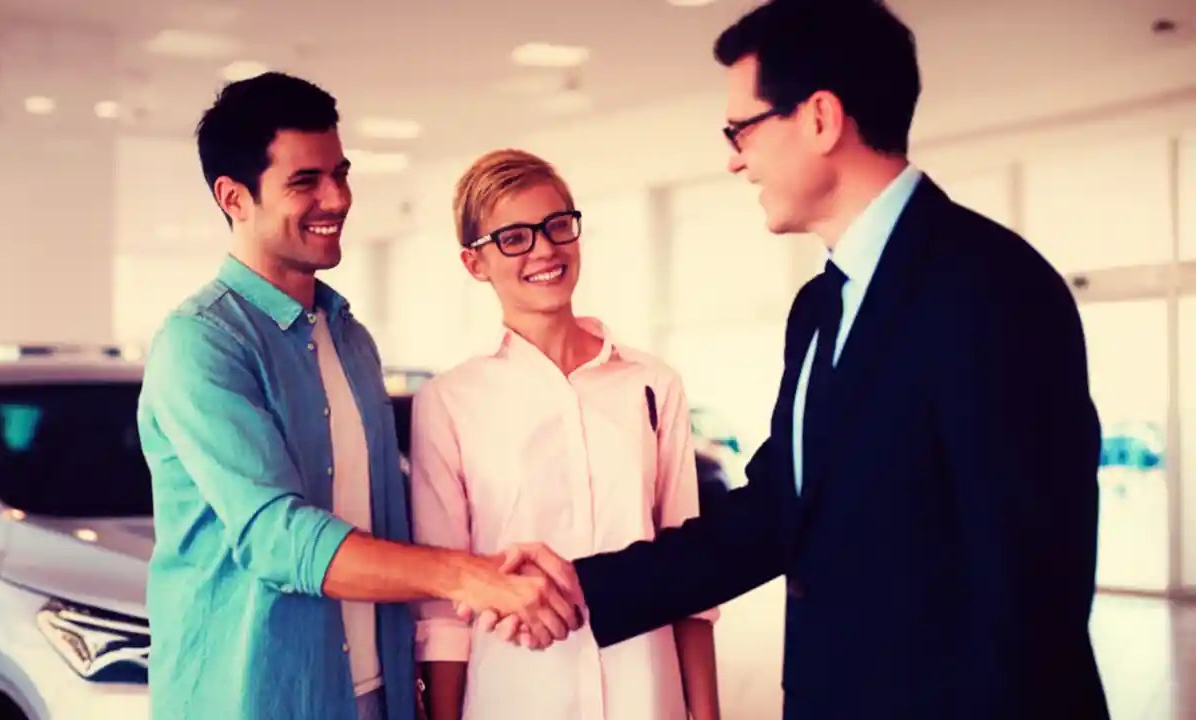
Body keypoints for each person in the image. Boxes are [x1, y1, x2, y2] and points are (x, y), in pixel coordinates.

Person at [483, 1, 1110, 718]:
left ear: (819, 118)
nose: (734, 158)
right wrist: (581, 586)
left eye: (741, 129)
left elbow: (1031, 585)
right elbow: (780, 511)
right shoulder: (820, 307)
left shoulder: (991, 286)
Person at [137, 73, 580, 720]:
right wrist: (471, 575)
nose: (337, 198)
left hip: (375, 692)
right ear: (234, 198)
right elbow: (276, 537)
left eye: (340, 174)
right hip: (259, 699)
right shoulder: (200, 343)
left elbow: (386, 516)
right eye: (305, 182)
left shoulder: (350, 338)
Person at [408, 149, 720, 720]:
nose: (545, 249)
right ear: (475, 263)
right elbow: (444, 608)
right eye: (513, 238)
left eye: (556, 225)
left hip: (645, 698)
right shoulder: (449, 402)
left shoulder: (652, 384)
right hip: (515, 699)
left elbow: (691, 577)